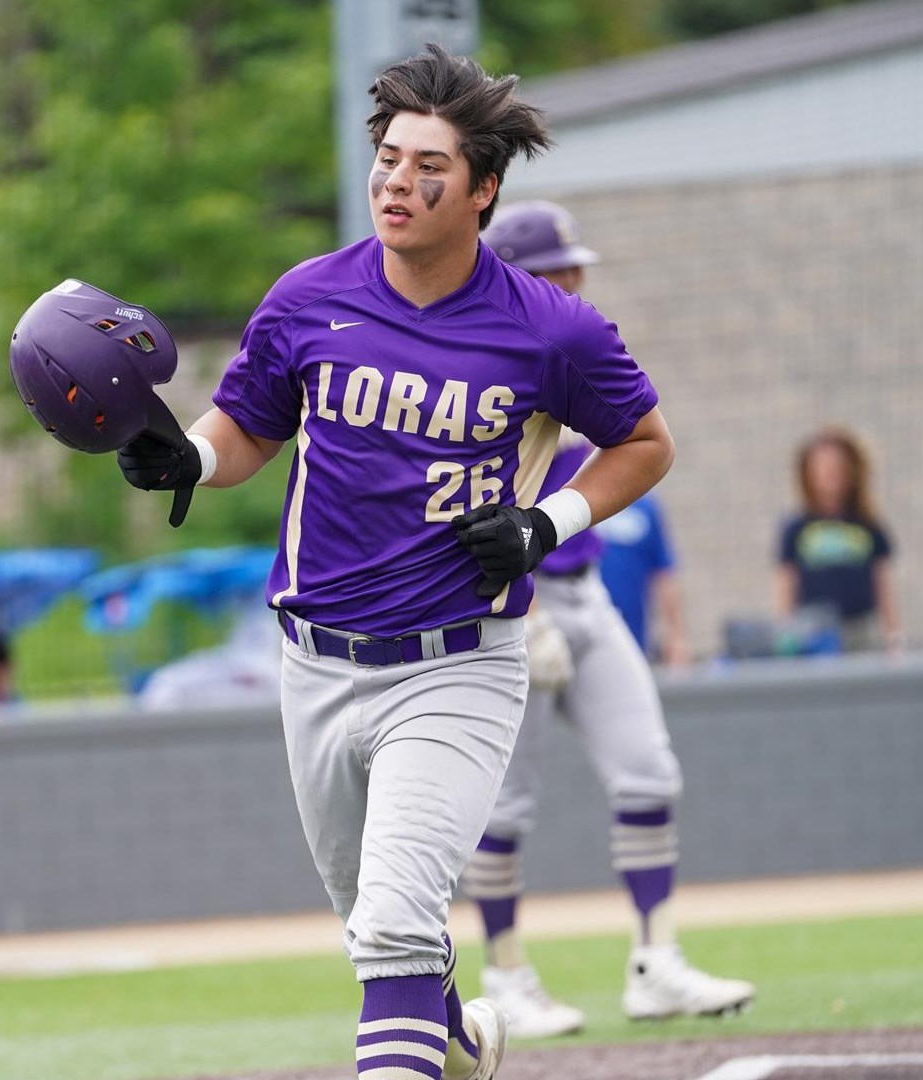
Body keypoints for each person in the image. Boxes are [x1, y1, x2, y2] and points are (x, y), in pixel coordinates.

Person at [107, 46, 674, 1080]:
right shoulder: (308, 296)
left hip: (458, 664)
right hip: (316, 666)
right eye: (389, 158)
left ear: (484, 189)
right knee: (379, 931)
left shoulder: (550, 329)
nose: (397, 183)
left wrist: (545, 523)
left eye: (429, 167)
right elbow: (246, 430)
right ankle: (457, 1040)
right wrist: (185, 455)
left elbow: (646, 444)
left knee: (397, 928)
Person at [459, 201, 753, 1038]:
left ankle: (656, 960)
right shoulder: (483, 359)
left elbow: (632, 449)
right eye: (556, 269)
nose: (575, 282)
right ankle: (506, 972)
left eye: (575, 268)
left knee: (649, 773)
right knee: (506, 803)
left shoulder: (576, 348)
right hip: (512, 604)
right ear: (516, 274)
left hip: (586, 596)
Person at [775, 428, 900, 652]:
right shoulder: (797, 526)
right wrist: (785, 635)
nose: (829, 473)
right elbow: (786, 583)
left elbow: (882, 583)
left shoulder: (867, 524)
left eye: (837, 465)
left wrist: (893, 637)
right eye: (821, 466)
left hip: (861, 627)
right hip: (814, 631)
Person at [595, 494, 692, 667]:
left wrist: (676, 637)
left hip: (633, 631)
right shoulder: (582, 500)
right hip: (588, 626)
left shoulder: (645, 508)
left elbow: (665, 573)